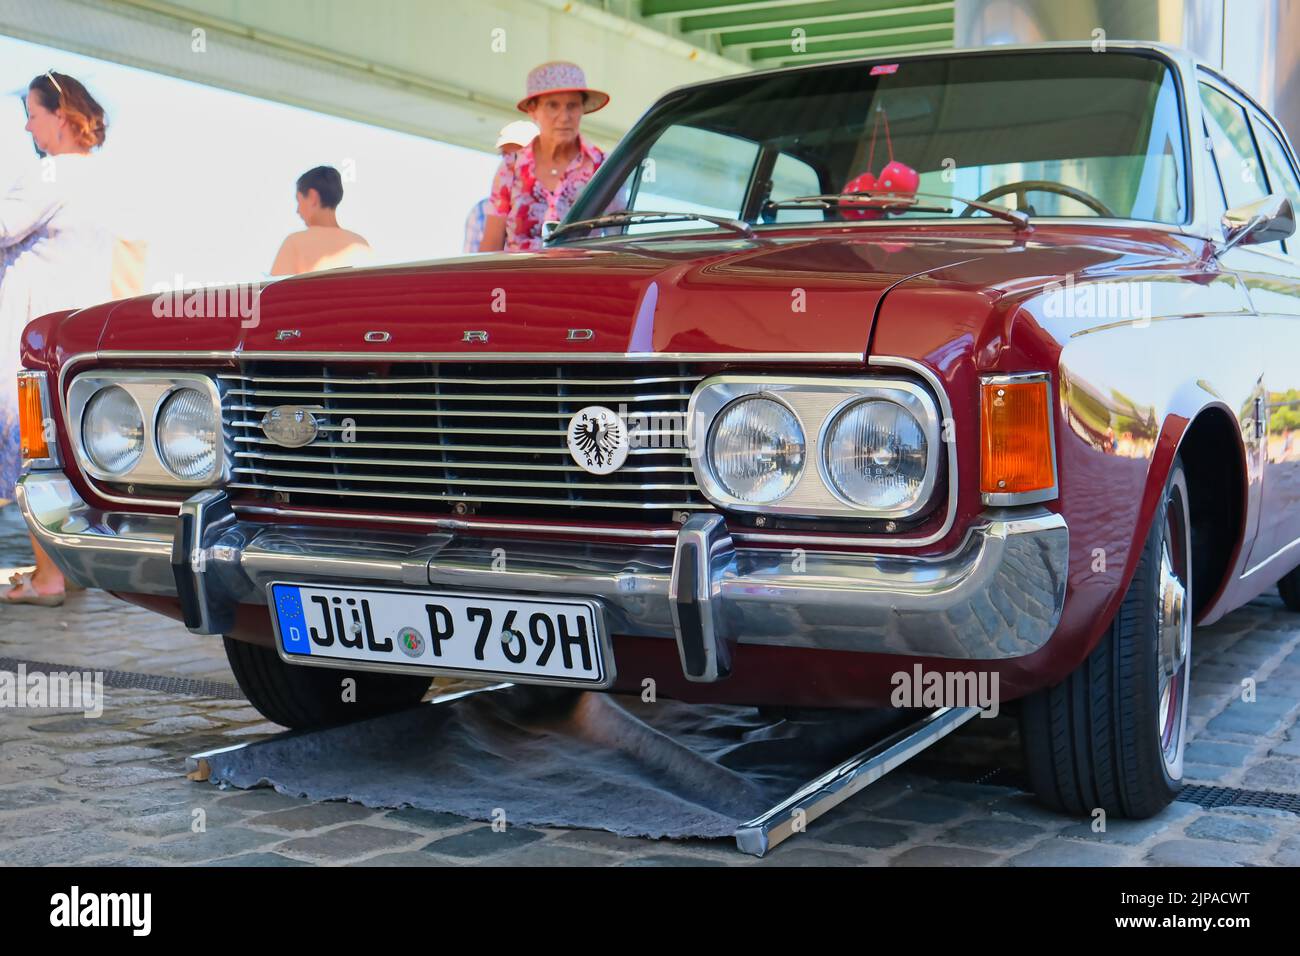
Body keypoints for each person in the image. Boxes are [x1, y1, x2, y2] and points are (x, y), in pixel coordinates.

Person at [1, 71, 117, 607]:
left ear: (61, 115)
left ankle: (47, 577)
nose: (27, 124)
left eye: (33, 112)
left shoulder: (51, 174)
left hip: (27, 330)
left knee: (31, 448)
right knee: (58, 448)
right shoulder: (101, 177)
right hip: (75, 330)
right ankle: (63, 569)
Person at [479, 61, 608, 253]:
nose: (564, 117)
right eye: (552, 106)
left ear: (582, 109)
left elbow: (617, 240)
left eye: (572, 106)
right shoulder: (510, 167)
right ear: (533, 110)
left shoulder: (602, 167)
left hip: (581, 280)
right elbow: (491, 246)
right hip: (517, 281)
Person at [270, 166, 371, 275]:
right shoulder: (361, 243)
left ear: (313, 197)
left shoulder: (295, 242)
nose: (297, 210)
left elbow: (273, 290)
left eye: (299, 201)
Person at [464, 119, 539, 253]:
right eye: (505, 155)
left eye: (518, 154)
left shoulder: (555, 203)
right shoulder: (480, 211)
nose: (510, 163)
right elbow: (474, 267)